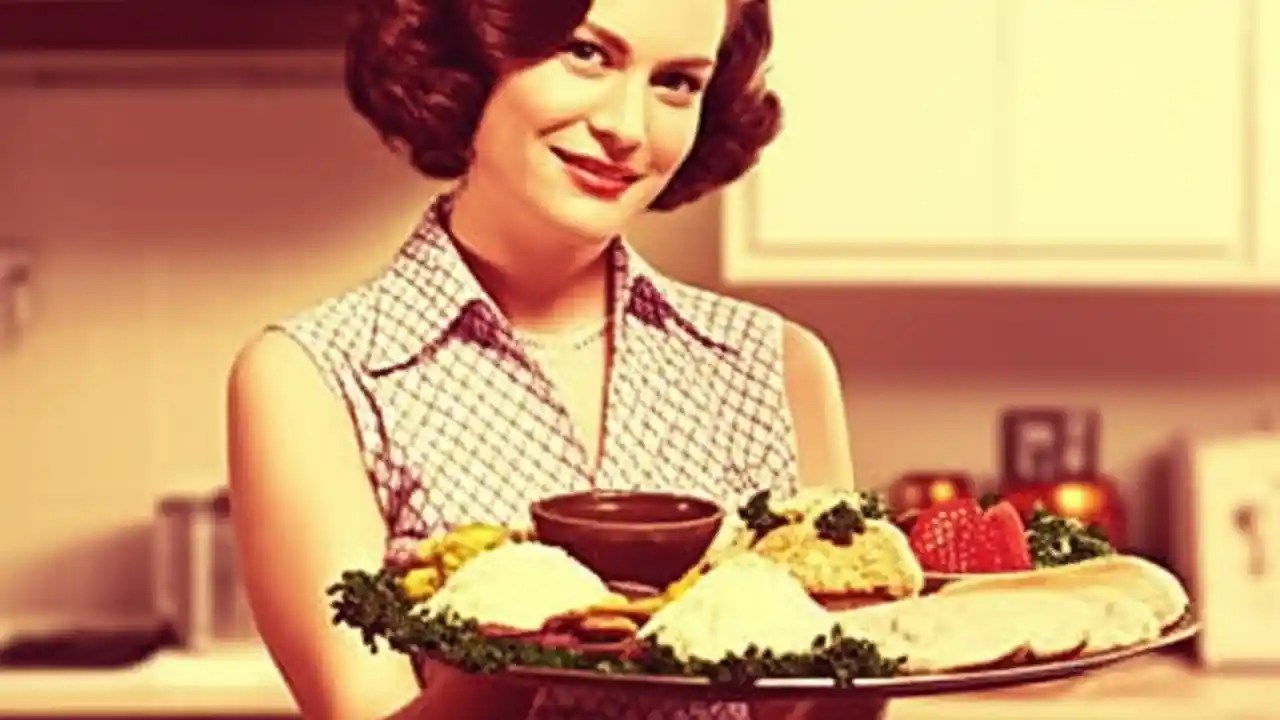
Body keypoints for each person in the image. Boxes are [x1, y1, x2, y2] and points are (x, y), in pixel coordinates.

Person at [226, 0, 858, 718]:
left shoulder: (776, 365)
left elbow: (825, 699)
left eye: (677, 82)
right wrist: (529, 626)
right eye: (587, 53)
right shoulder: (313, 379)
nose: (627, 127)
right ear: (471, 54)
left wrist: (880, 654)